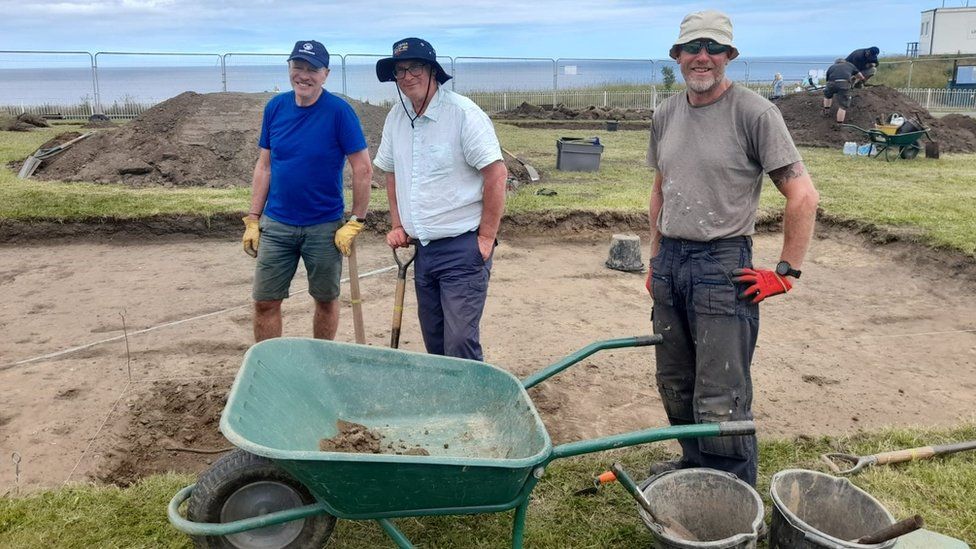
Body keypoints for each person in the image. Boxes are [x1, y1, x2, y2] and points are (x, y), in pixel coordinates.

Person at [644, 10, 820, 487]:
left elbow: (803, 194)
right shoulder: (665, 113)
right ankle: (694, 465)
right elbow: (662, 189)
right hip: (672, 263)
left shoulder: (755, 113)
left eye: (713, 48)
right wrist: (655, 256)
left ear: (729, 57)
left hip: (722, 263)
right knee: (676, 383)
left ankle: (732, 490)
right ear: (677, 56)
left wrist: (787, 272)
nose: (703, 57)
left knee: (721, 391)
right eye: (693, 48)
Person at [373, 37, 508, 361]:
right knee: (435, 342)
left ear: (433, 71)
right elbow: (391, 172)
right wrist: (398, 224)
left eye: (415, 67)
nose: (407, 76)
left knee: (460, 342)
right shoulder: (396, 118)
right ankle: (447, 407)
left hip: (463, 248)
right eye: (400, 71)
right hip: (424, 251)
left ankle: (471, 409)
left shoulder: (463, 114)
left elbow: (497, 173)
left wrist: (487, 236)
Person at [242, 40, 373, 342]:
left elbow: (363, 168)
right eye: (297, 67)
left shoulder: (340, 112)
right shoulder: (275, 108)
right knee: (265, 302)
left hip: (324, 227)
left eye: (312, 69)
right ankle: (269, 365)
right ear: (289, 69)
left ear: (325, 74)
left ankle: (320, 363)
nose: (304, 75)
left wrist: (356, 220)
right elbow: (265, 166)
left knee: (326, 301)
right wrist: (253, 218)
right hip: (277, 225)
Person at [823, 58, 864, 123]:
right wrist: (854, 79)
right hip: (844, 84)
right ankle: (839, 124)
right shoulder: (849, 65)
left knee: (827, 96)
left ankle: (826, 111)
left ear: (836, 63)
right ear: (844, 62)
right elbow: (861, 77)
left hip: (831, 83)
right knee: (843, 105)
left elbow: (827, 80)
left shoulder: (831, 67)